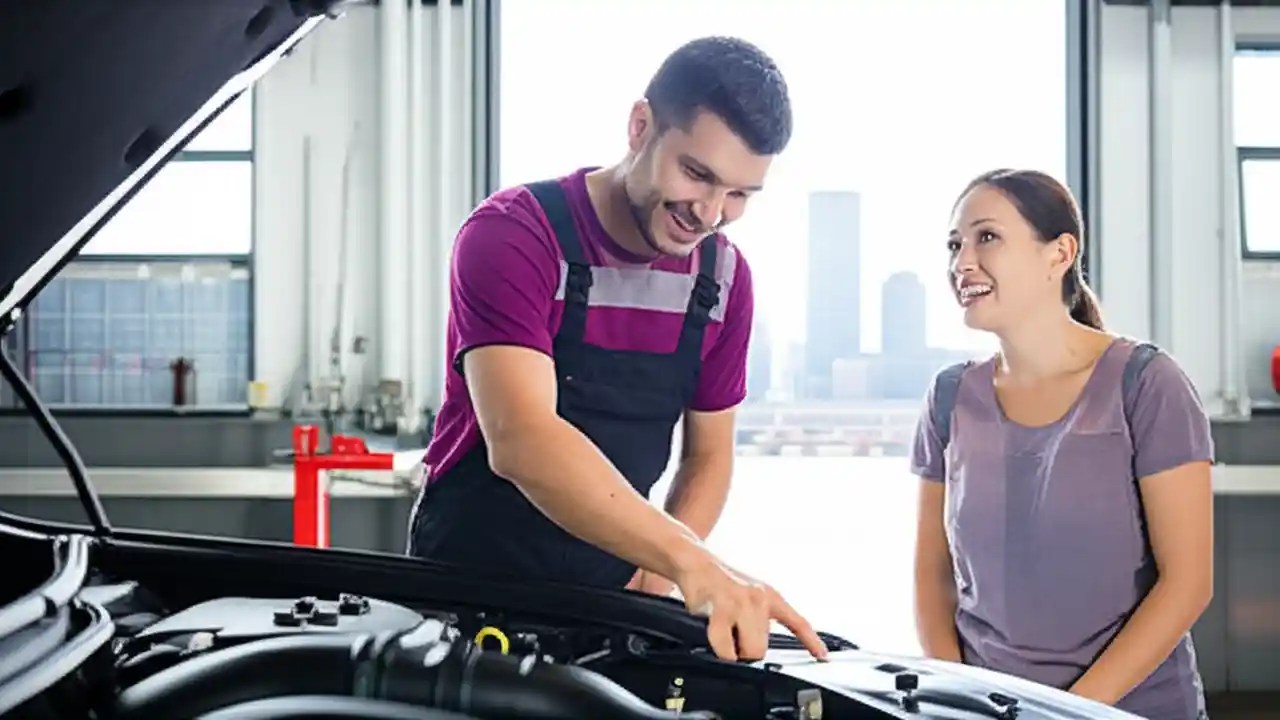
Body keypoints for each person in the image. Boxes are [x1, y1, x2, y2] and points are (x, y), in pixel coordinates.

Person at [405, 35, 827, 663]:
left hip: (615, 602)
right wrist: (695, 563)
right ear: (640, 127)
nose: (711, 212)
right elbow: (522, 440)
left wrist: (657, 581)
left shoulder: (724, 282)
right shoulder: (515, 235)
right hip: (467, 595)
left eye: (739, 194)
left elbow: (708, 458)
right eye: (697, 174)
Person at [910, 169, 1215, 719]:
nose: (962, 262)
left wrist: (1067, 713)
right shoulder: (949, 397)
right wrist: (957, 696)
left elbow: (1187, 583)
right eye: (955, 245)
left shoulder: (1147, 384)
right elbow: (932, 576)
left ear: (1060, 254)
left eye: (987, 237)